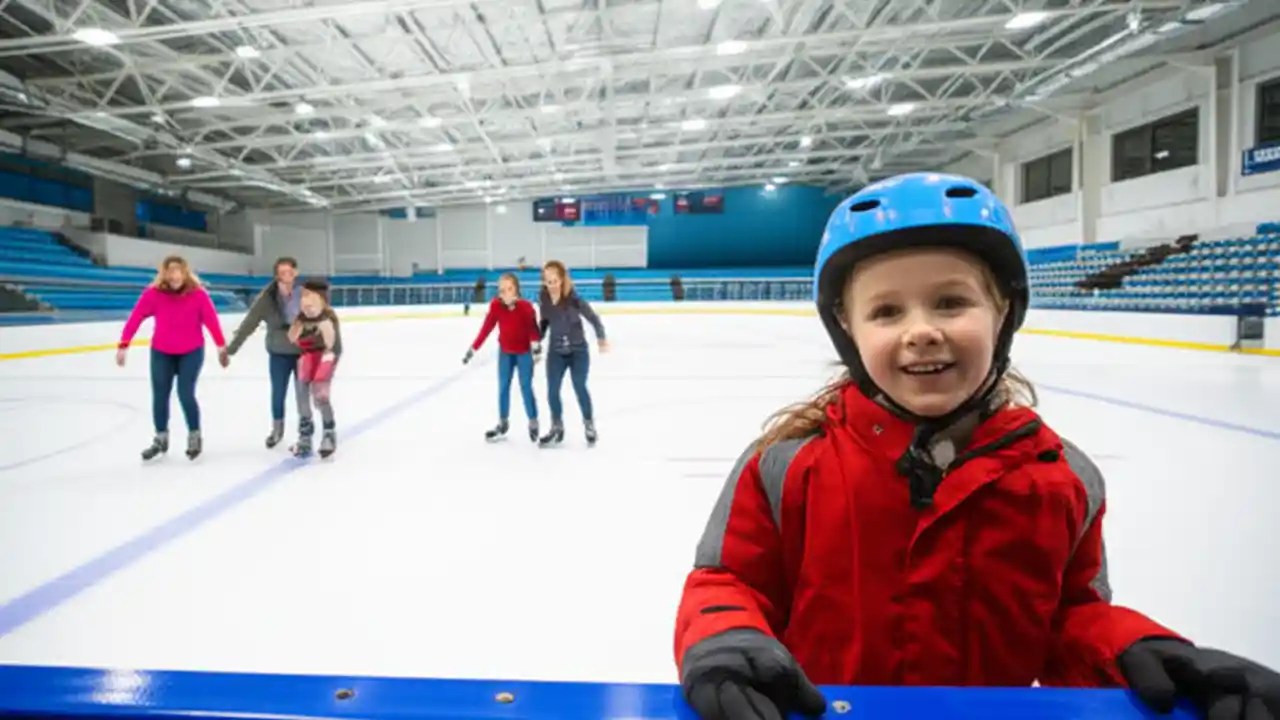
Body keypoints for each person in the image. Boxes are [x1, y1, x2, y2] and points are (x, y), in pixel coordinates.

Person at [672, 173, 1280, 720]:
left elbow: (1072, 616)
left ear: (1003, 311)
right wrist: (725, 637)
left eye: (951, 302)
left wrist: (1136, 647)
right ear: (849, 331)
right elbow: (729, 581)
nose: (921, 331)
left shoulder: (1060, 476)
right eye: (886, 311)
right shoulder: (785, 462)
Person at [117, 255, 228, 461]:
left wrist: (221, 346)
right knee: (160, 394)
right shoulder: (153, 294)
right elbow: (136, 317)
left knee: (185, 392)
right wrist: (124, 344)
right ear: (165, 274)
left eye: (179, 271)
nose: (175, 275)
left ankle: (194, 436)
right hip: (162, 352)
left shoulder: (198, 295)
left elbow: (211, 321)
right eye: (171, 271)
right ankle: (161, 438)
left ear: (185, 273)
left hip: (191, 351)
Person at [225, 256, 310, 449]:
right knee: (278, 393)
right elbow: (249, 323)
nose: (286, 276)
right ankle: (277, 429)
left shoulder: (305, 295)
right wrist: (232, 349)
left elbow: (319, 320)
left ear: (295, 272)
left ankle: (304, 432)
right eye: (282, 272)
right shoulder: (266, 298)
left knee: (302, 394)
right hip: (278, 353)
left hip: (302, 352)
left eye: (290, 272)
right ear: (276, 275)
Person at [463, 272, 542, 442]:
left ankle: (533, 421)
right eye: (502, 290)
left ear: (516, 290)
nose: (505, 293)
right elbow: (486, 329)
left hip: (523, 353)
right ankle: (503, 422)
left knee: (525, 386)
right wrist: (473, 348)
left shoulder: (526, 307)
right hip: (506, 353)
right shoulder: (496, 306)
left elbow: (533, 330)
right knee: (503, 387)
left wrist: (535, 347)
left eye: (509, 289)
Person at [537, 260, 607, 447]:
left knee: (579, 386)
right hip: (556, 352)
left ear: (561, 280)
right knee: (552, 391)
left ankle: (589, 424)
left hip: (578, 352)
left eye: (554, 281)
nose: (551, 285)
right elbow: (544, 321)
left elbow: (593, 318)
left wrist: (601, 337)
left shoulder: (574, 299)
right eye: (548, 282)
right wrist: (537, 341)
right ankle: (556, 426)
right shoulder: (543, 298)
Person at [287, 279, 342, 458]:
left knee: (321, 396)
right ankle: (305, 434)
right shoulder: (301, 318)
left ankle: (329, 432)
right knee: (302, 394)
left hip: (325, 357)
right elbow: (292, 338)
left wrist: (329, 360)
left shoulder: (329, 317)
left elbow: (334, 344)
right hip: (307, 357)